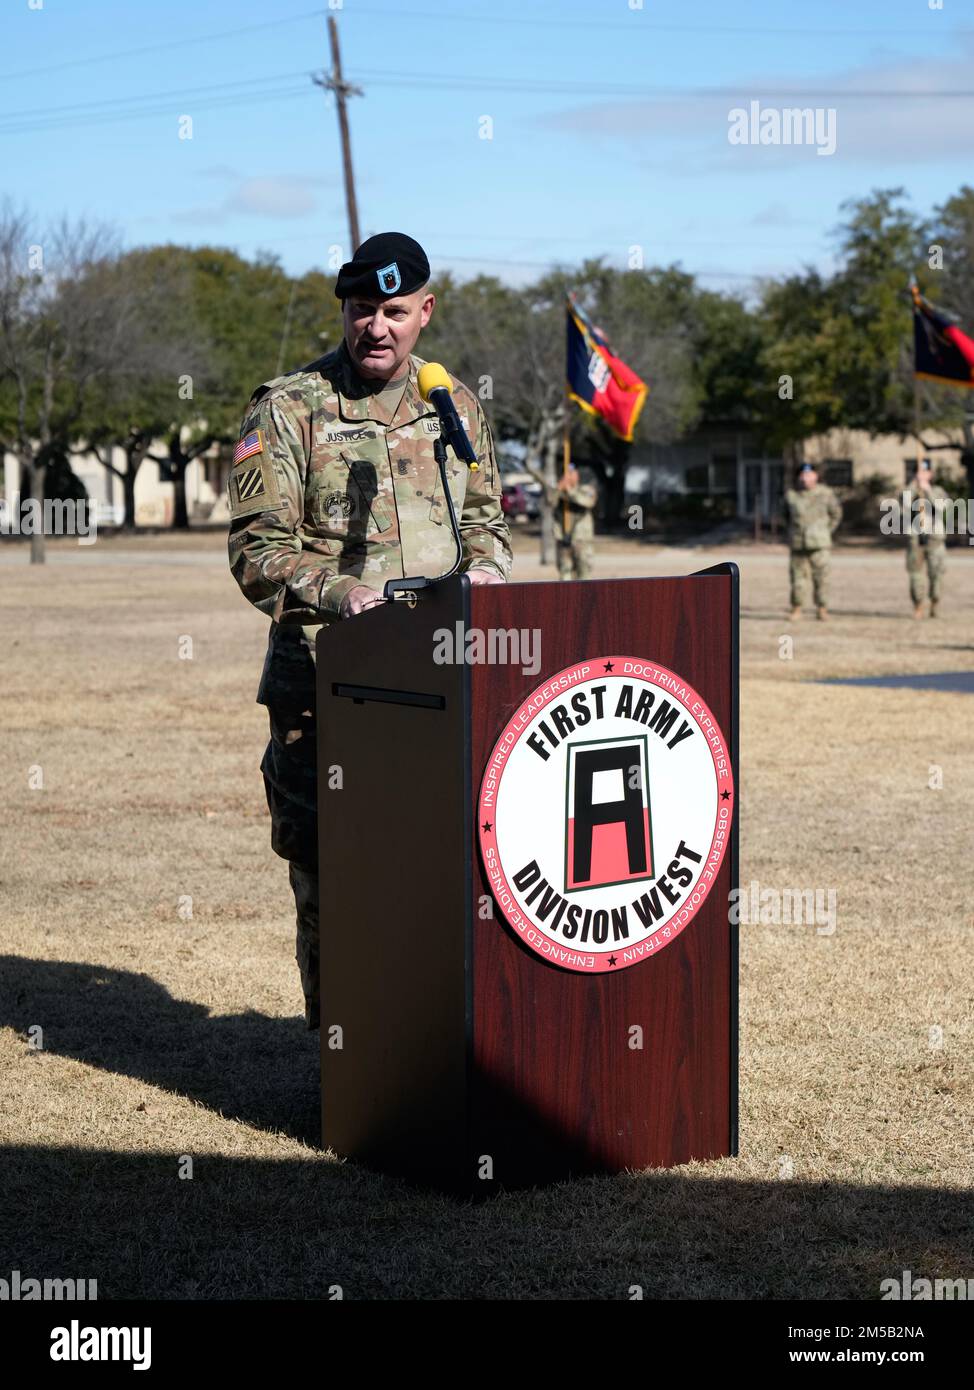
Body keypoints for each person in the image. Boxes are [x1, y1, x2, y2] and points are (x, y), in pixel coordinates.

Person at [227, 232, 513, 1028]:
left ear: (425, 312)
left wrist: (489, 570)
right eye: (361, 311)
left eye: (394, 311)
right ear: (344, 312)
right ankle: (345, 1067)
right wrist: (343, 594)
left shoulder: (452, 403)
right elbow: (257, 550)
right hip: (328, 684)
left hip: (442, 680)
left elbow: (487, 519)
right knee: (333, 876)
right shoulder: (289, 407)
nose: (376, 328)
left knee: (443, 869)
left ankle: (434, 1050)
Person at [782, 462, 842, 621]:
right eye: (802, 475)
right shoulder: (791, 496)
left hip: (820, 544)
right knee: (797, 579)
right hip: (798, 543)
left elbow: (836, 514)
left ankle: (822, 608)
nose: (805, 478)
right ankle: (796, 608)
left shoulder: (826, 493)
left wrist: (825, 531)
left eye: (809, 474)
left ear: (816, 476)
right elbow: (785, 517)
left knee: (822, 578)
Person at [527, 461, 599, 579]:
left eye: (571, 473)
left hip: (581, 539)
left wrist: (570, 490)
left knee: (584, 576)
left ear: (577, 475)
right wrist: (560, 487)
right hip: (563, 538)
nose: (569, 476)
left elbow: (588, 502)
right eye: (566, 473)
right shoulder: (559, 491)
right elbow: (550, 501)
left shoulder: (586, 489)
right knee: (565, 576)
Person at [905, 458, 949, 619]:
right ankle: (918, 605)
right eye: (919, 472)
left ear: (930, 474)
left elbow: (941, 507)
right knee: (915, 575)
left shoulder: (938, 491)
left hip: (934, 538)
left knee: (936, 574)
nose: (922, 475)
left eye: (925, 472)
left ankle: (934, 602)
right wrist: (914, 486)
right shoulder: (910, 491)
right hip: (916, 539)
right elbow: (903, 505)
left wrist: (927, 490)